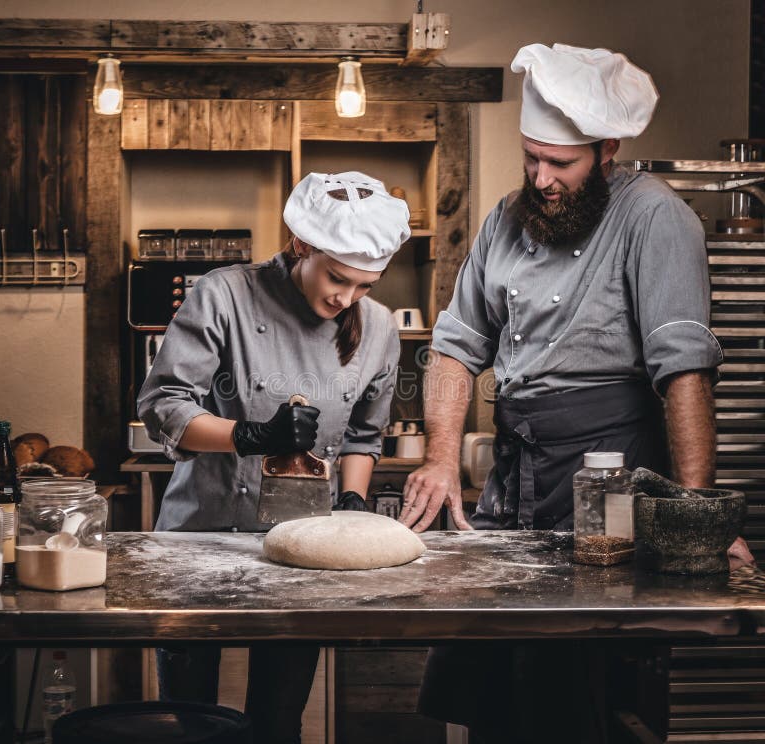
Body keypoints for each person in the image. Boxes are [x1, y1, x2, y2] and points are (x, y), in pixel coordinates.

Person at [398, 43, 755, 742]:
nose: (541, 178)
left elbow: (684, 370)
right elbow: (454, 345)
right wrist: (441, 457)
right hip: (514, 483)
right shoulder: (505, 219)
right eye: (531, 157)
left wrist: (698, 513)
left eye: (560, 163)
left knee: (575, 694)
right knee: (492, 682)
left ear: (607, 149)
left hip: (608, 488)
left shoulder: (655, 219)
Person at [137, 171, 409, 744]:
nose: (346, 298)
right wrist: (252, 435)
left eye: (365, 285)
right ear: (301, 245)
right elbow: (164, 404)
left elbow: (363, 434)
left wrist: (354, 503)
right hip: (199, 539)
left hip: (303, 547)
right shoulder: (224, 295)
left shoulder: (380, 327)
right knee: (191, 724)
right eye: (338, 278)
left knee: (278, 723)